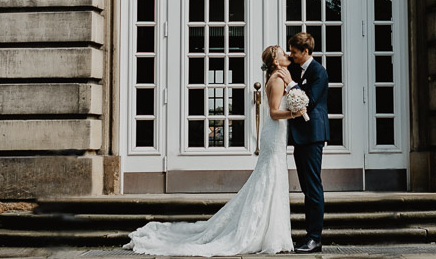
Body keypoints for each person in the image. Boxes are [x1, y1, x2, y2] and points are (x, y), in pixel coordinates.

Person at [125, 44, 304, 256]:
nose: (287, 55)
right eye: (284, 53)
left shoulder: (281, 77)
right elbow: (275, 112)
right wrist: (294, 114)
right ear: (276, 61)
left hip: (278, 134)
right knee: (270, 177)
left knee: (274, 178)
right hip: (274, 133)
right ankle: (265, 234)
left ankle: (273, 233)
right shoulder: (275, 80)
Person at [286, 31, 328, 254]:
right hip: (300, 137)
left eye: (294, 52)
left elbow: (308, 102)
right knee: (306, 187)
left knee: (313, 188)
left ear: (306, 51)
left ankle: (315, 238)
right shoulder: (296, 68)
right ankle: (308, 236)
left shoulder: (318, 72)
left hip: (313, 136)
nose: (291, 56)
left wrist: (292, 84)